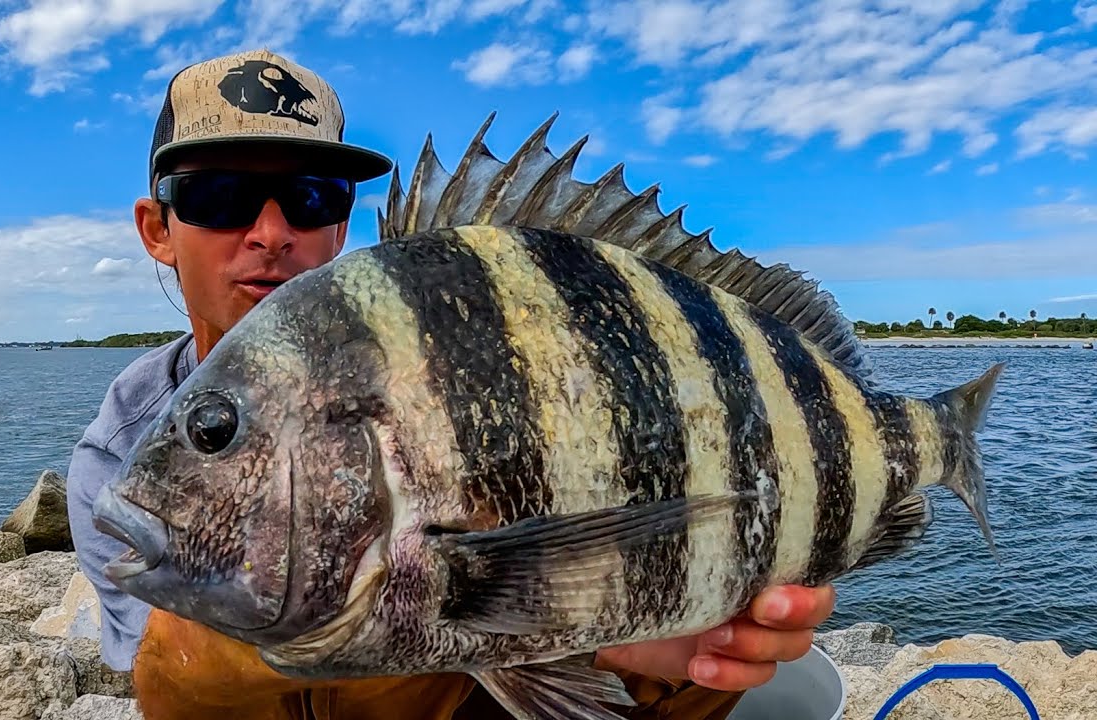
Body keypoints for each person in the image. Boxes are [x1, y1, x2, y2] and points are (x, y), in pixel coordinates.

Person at [65, 48, 837, 720]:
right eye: (219, 196)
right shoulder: (124, 456)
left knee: (708, 660)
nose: (271, 232)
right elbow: (170, 688)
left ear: (339, 225)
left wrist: (625, 645)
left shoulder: (441, 342)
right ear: (157, 228)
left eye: (310, 197)